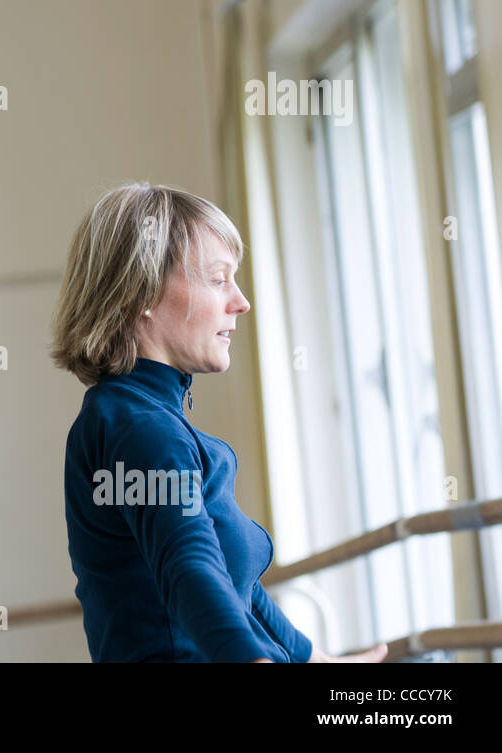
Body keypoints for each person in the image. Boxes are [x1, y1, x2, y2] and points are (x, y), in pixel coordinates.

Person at [51, 182, 387, 663]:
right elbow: (190, 568)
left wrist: (318, 661)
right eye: (217, 279)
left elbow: (236, 587)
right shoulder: (140, 429)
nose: (241, 302)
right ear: (142, 291)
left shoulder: (137, 418)